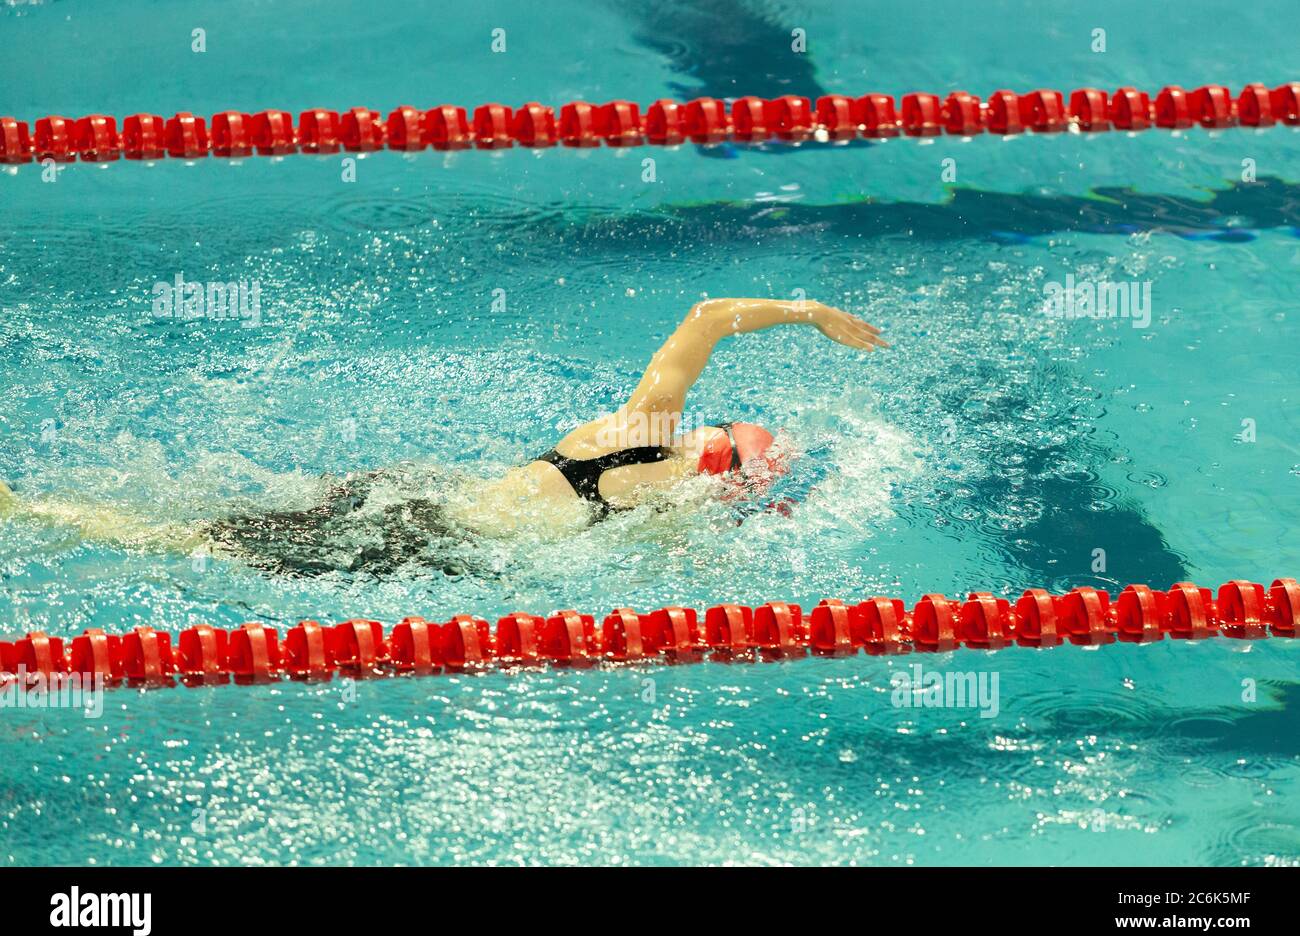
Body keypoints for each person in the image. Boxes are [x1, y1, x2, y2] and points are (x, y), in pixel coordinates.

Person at [1, 298, 885, 575]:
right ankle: (25, 510)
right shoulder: (651, 458)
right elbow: (703, 319)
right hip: (414, 534)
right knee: (189, 540)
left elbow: (707, 318)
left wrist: (806, 314)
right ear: (722, 470)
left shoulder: (648, 439)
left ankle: (40, 507)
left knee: (211, 519)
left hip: (412, 501)